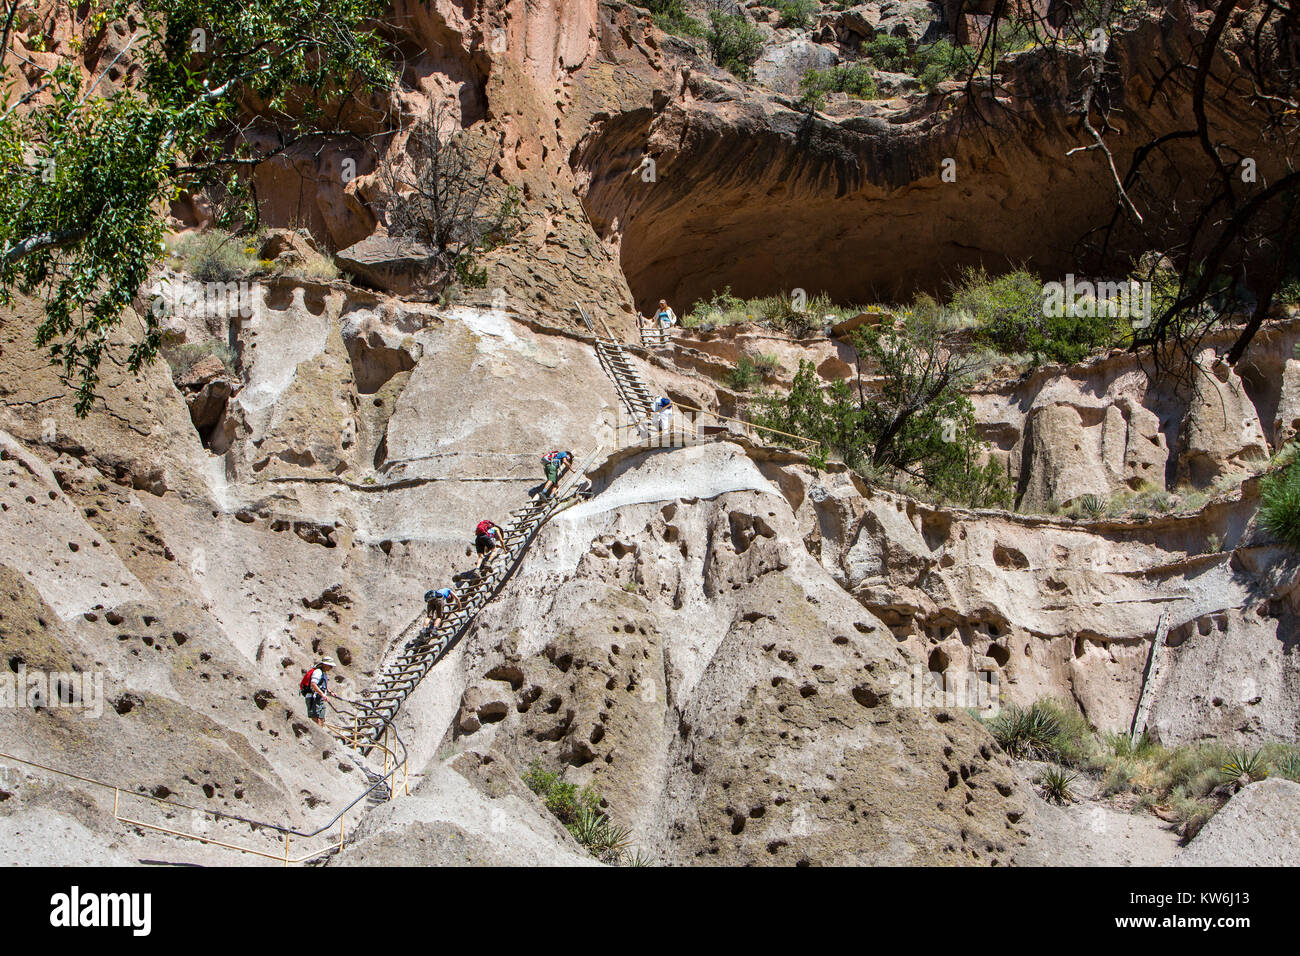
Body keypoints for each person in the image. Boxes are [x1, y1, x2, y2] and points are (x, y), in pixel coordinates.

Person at [300, 656, 337, 728]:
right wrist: (322, 694)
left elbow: (321, 684)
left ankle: (320, 733)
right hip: (314, 698)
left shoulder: (323, 673)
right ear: (325, 665)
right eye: (330, 666)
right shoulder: (318, 672)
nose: (331, 668)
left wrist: (330, 692)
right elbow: (313, 684)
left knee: (321, 718)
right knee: (317, 718)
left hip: (318, 698)